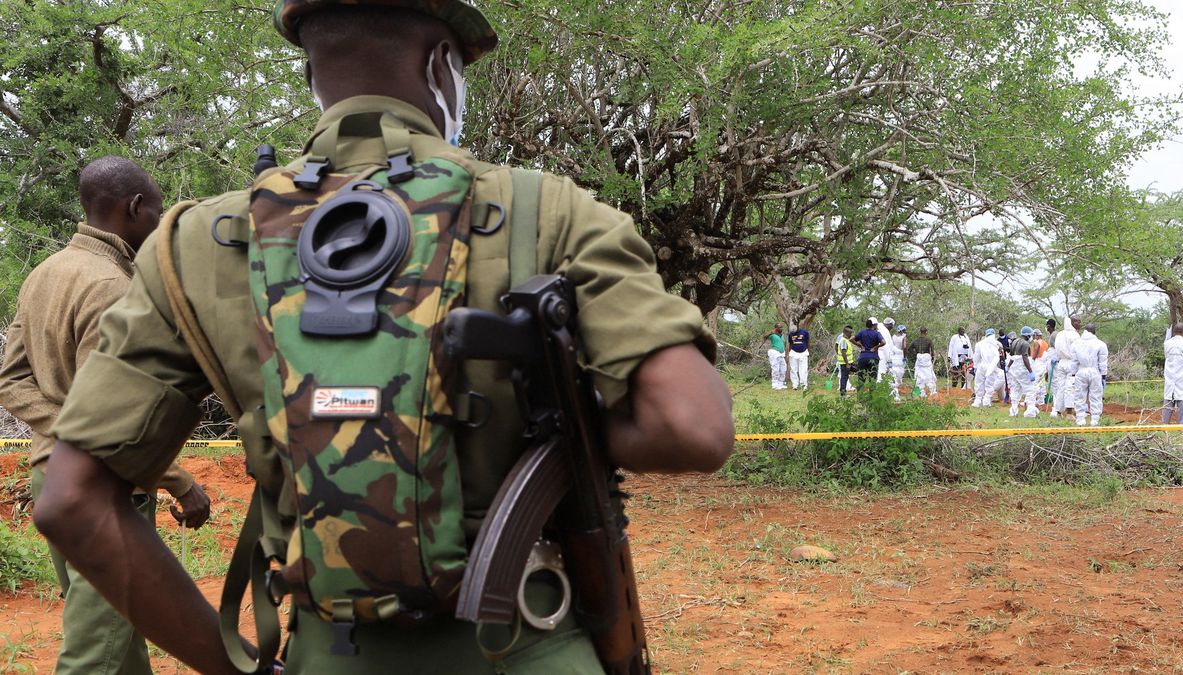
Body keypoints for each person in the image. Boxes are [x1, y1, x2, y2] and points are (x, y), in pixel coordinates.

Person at [31, 4, 735, 673]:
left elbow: (70, 501)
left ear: (311, 70)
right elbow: (693, 426)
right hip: (525, 644)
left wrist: (232, 663)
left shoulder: (190, 246)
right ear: (440, 67)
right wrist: (556, 433)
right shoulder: (552, 212)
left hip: (322, 654)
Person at [0, 156, 211, 675]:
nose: (160, 226)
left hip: (51, 478)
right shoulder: (114, 289)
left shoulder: (45, 273)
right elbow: (114, 423)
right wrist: (180, 480)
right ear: (135, 208)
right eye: (158, 214)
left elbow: (10, 381)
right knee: (101, 652)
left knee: (119, 642)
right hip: (103, 489)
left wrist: (67, 433)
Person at [1071, 323, 1109, 426]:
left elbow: (1074, 362)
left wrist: (1073, 374)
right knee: (1096, 396)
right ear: (1094, 331)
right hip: (1095, 372)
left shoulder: (1076, 343)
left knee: (1079, 395)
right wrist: (1103, 376)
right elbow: (1102, 362)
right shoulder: (1100, 344)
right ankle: (1095, 420)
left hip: (1081, 371)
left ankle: (1080, 419)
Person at [1162, 323, 1183, 424]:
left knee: (1167, 404)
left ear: (1173, 332)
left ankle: (1164, 426)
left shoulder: (1167, 343)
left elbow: (1166, 356)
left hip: (1170, 378)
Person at [1050, 315, 1082, 417]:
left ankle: (1058, 411)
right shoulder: (1075, 335)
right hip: (1071, 363)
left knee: (1061, 387)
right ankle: (1069, 412)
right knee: (1070, 388)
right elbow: (1078, 351)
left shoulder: (1060, 334)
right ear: (1072, 322)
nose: (1079, 324)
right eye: (1077, 322)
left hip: (1061, 363)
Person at [1006, 327, 1039, 418]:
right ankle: (1030, 411)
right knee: (1031, 389)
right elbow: (1025, 358)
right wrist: (1030, 371)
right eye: (1031, 335)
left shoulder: (1014, 342)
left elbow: (1012, 357)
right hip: (1021, 368)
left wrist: (1008, 366)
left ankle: (1013, 411)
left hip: (1014, 369)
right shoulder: (1025, 344)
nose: (1031, 337)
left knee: (1015, 390)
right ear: (1028, 335)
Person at [971, 329, 1002, 407]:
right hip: (991, 366)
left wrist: (976, 366)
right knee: (990, 384)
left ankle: (978, 400)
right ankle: (986, 400)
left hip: (982, 366)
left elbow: (976, 357)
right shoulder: (996, 343)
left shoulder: (980, 344)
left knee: (979, 384)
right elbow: (998, 356)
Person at [851, 318, 886, 386]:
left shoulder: (862, 332)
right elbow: (883, 342)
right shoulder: (877, 333)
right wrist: (876, 347)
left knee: (861, 380)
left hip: (863, 358)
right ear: (874, 325)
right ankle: (871, 396)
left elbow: (851, 339)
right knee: (872, 380)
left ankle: (860, 396)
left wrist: (860, 345)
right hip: (873, 358)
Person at [907, 326, 936, 398]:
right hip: (926, 360)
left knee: (918, 377)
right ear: (926, 332)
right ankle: (932, 393)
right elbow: (932, 352)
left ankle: (918, 394)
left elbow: (909, 349)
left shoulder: (915, 341)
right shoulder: (928, 340)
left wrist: (915, 355)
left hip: (919, 359)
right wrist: (932, 358)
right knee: (929, 376)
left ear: (920, 332)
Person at [785, 321, 810, 391]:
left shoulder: (805, 332)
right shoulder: (790, 334)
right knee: (793, 369)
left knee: (804, 370)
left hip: (803, 353)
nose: (793, 327)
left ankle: (804, 385)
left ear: (798, 325)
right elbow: (790, 343)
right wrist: (789, 353)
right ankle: (795, 385)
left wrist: (808, 351)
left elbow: (808, 342)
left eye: (794, 325)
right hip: (793, 353)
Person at [1030, 328, 1050, 409]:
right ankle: (1041, 402)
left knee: (1035, 383)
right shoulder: (1045, 343)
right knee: (1042, 384)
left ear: (1036, 335)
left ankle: (1033, 401)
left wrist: (1031, 363)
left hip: (1037, 364)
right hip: (1044, 365)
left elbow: (1034, 355)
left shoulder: (1036, 343)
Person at [763, 323, 787, 390]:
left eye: (782, 327)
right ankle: (775, 384)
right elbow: (764, 337)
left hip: (781, 354)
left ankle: (780, 383)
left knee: (783, 369)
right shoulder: (772, 335)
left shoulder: (782, 335)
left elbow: (783, 343)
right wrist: (771, 332)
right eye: (780, 327)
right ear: (776, 328)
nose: (781, 328)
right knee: (775, 369)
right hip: (774, 353)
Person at [886, 324, 907, 400]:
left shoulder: (893, 336)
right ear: (903, 330)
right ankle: (896, 394)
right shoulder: (904, 336)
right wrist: (905, 357)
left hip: (893, 357)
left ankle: (893, 392)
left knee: (893, 374)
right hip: (900, 357)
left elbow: (890, 346)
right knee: (899, 374)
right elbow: (904, 347)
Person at [834, 325, 856, 396]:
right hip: (845, 363)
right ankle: (843, 393)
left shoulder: (846, 340)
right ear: (846, 333)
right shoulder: (843, 340)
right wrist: (847, 364)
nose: (851, 335)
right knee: (844, 377)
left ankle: (846, 390)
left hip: (848, 362)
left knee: (846, 376)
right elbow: (843, 352)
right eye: (850, 333)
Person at [876, 317, 895, 383]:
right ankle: (879, 389)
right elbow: (885, 346)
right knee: (881, 373)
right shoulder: (884, 331)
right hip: (883, 355)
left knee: (883, 373)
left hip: (883, 354)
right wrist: (889, 359)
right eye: (892, 325)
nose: (892, 327)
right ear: (890, 324)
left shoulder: (882, 330)